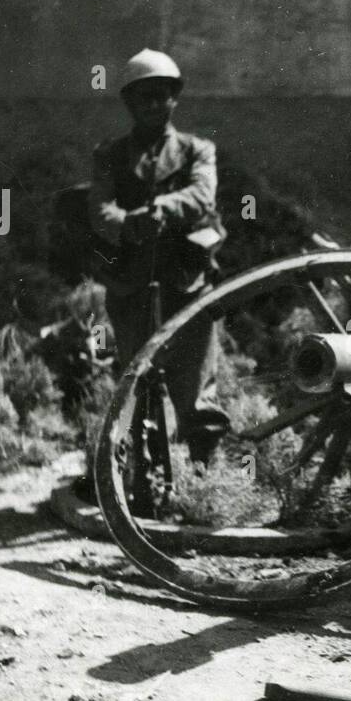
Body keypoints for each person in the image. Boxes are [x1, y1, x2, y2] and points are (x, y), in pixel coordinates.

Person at [88, 48, 228, 461]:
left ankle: (204, 472)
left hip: (186, 277)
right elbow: (99, 208)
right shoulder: (109, 155)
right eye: (143, 96)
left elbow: (203, 195)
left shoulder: (196, 150)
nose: (152, 104)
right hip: (130, 278)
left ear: (174, 99)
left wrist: (162, 210)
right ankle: (137, 477)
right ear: (129, 103)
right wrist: (128, 224)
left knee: (197, 382)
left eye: (161, 95)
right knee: (134, 378)